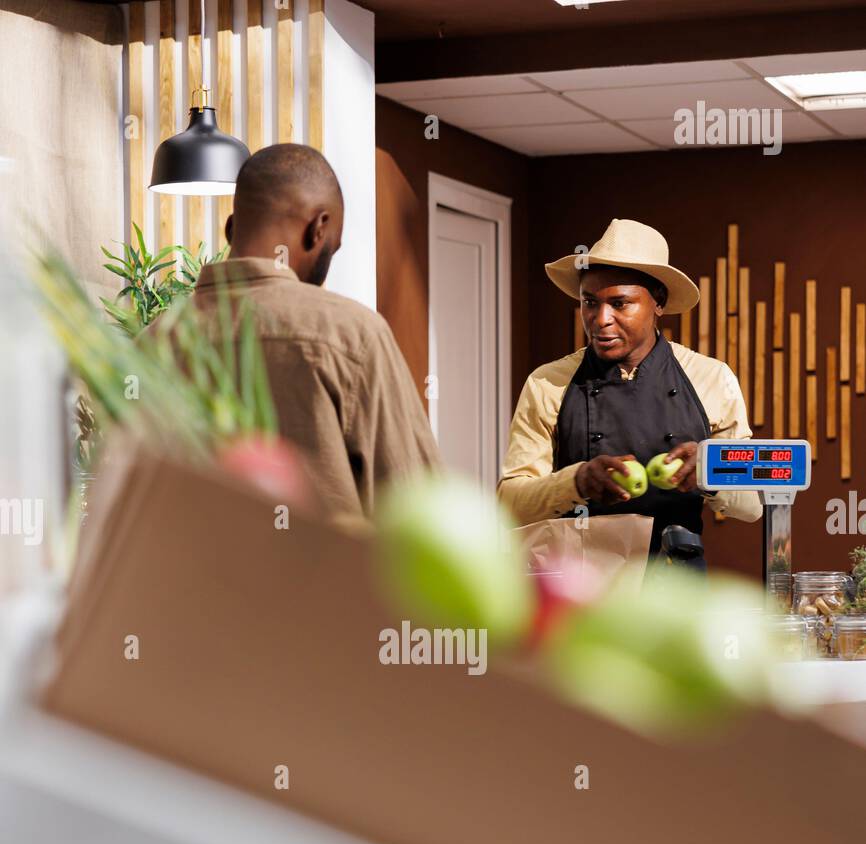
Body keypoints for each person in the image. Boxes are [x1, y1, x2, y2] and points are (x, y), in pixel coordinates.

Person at [184, 143, 440, 516]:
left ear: (230, 229)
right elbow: (421, 509)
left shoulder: (151, 344)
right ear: (318, 228)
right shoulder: (353, 336)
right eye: (333, 248)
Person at [499, 219, 762, 567]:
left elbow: (752, 508)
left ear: (659, 302)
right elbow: (510, 503)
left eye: (620, 304)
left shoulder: (711, 378)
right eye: (589, 302)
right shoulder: (548, 383)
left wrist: (710, 471)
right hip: (579, 586)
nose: (600, 319)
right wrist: (576, 481)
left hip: (675, 582)